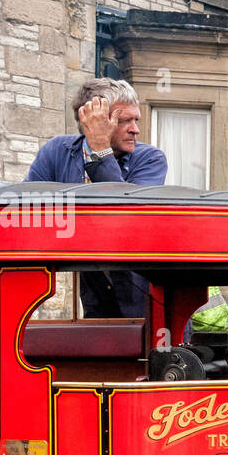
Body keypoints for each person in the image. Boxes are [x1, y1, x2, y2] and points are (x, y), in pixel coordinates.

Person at [25, 78, 168, 317]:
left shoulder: (151, 159)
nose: (136, 129)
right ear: (91, 121)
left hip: (147, 291)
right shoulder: (56, 152)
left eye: (136, 120)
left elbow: (126, 211)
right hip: (95, 289)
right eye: (124, 121)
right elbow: (29, 213)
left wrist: (100, 147)